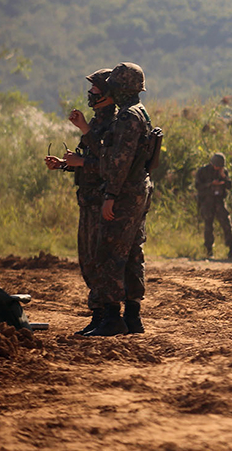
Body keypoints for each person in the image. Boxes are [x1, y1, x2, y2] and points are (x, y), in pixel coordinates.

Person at [44, 68, 117, 335]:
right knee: (87, 259)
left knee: (100, 259)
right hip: (88, 201)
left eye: (95, 89)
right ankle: (98, 316)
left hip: (101, 201)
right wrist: (66, 164)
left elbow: (109, 163)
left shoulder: (114, 123)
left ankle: (109, 316)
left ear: (108, 94)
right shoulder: (98, 121)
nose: (91, 93)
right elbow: (90, 160)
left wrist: (85, 130)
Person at [88, 62, 157, 336]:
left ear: (123, 87)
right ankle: (132, 317)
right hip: (137, 189)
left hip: (125, 192)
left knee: (111, 252)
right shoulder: (140, 113)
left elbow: (120, 161)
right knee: (131, 254)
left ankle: (112, 318)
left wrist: (111, 195)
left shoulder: (128, 117)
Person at [195, 152, 232, 260]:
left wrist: (224, 177)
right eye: (217, 166)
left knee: (227, 224)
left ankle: (231, 250)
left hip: (219, 201)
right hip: (207, 202)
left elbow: (229, 186)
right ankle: (209, 250)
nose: (218, 168)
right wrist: (211, 184)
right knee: (208, 227)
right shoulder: (203, 171)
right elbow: (198, 186)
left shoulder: (223, 172)